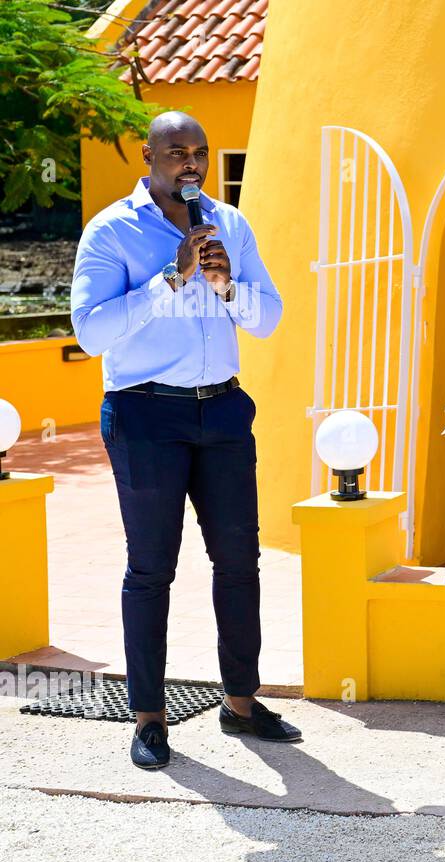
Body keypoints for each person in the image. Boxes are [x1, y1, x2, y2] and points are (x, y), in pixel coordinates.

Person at [70, 112, 293, 770]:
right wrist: (171, 278)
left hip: (221, 412)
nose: (190, 163)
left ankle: (242, 704)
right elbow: (91, 332)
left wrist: (226, 286)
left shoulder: (231, 224)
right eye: (176, 152)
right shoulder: (111, 230)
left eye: (198, 152)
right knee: (150, 570)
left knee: (239, 562)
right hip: (145, 416)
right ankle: (148, 718)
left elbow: (270, 315)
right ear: (148, 156)